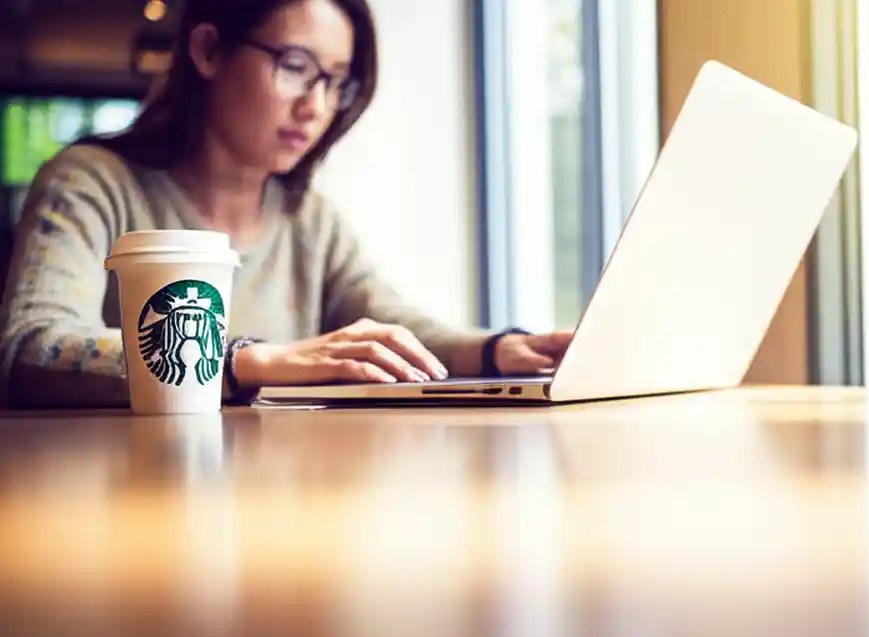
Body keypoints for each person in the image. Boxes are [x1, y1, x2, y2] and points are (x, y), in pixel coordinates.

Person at [0, 0, 571, 408]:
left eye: (336, 81)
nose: (316, 106)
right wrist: (252, 361)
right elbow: (32, 347)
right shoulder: (92, 183)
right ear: (208, 50)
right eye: (296, 67)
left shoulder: (308, 220)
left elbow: (391, 324)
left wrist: (503, 351)